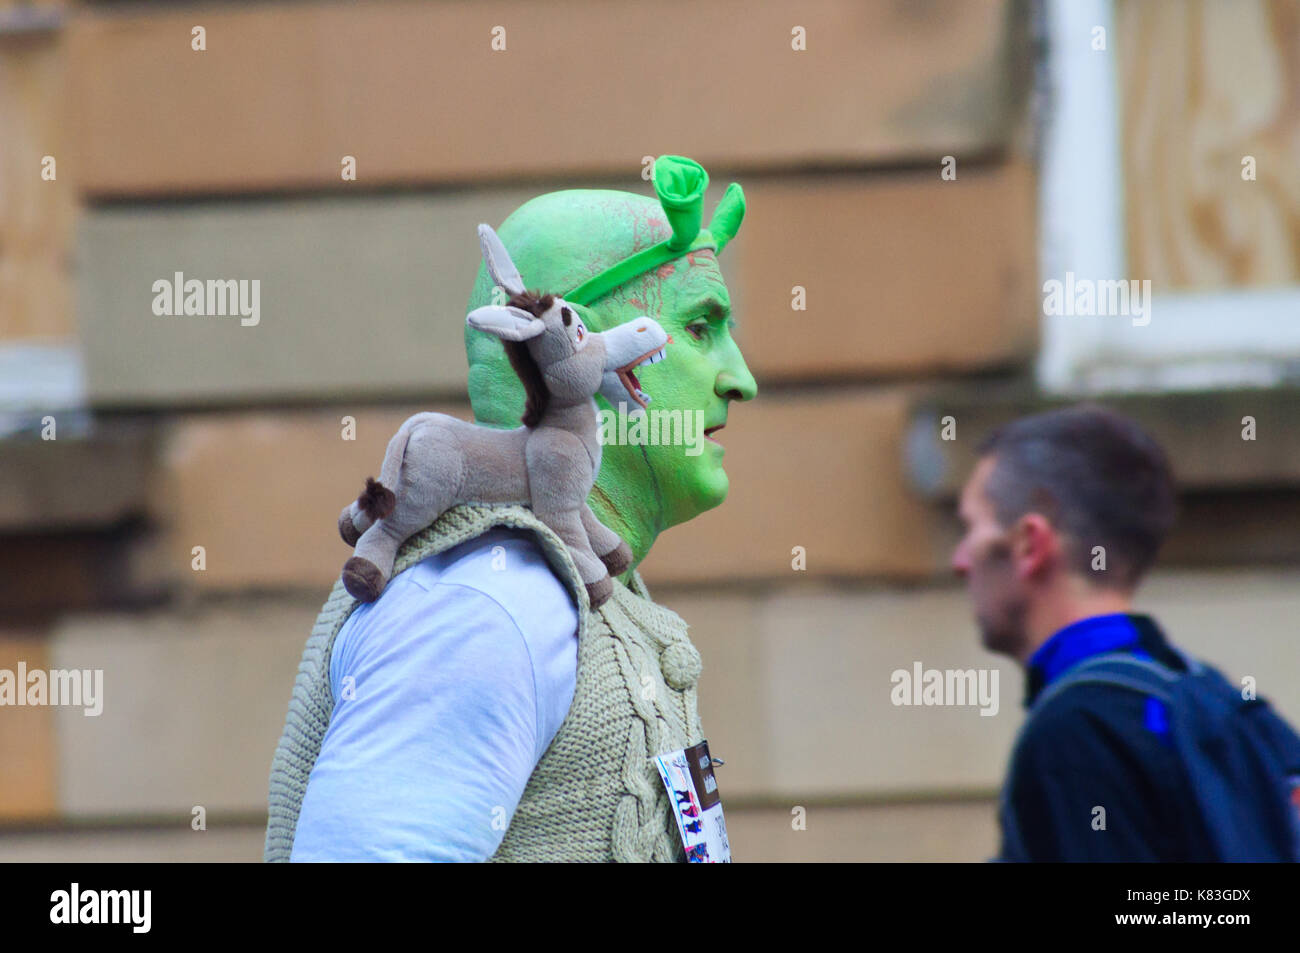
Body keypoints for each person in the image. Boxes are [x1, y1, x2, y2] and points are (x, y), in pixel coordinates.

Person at [264, 156, 757, 862]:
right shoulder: (491, 604)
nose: (742, 379)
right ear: (579, 344)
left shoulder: (551, 588)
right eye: (703, 326)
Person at [952, 405, 1300, 862]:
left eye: (971, 528)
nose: (960, 560)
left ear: (1029, 546)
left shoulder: (1079, 729)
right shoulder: (1216, 702)